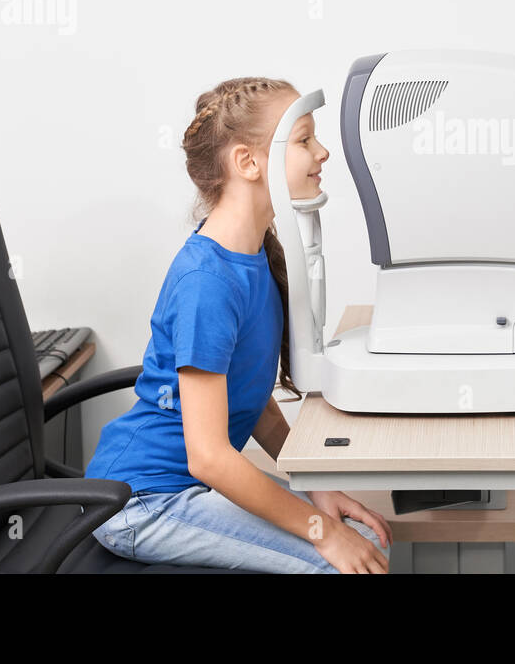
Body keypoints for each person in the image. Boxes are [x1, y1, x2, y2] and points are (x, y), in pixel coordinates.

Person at [86, 77, 392, 573]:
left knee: (363, 540)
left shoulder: (252, 259)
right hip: (143, 503)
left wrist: (315, 487)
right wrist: (321, 532)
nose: (324, 153)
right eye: (304, 140)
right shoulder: (207, 282)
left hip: (187, 485)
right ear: (248, 163)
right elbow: (208, 458)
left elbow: (252, 403)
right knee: (339, 564)